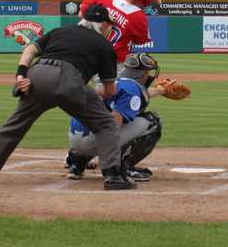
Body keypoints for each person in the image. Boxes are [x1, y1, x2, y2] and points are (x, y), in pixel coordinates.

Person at [0, 3, 137, 190]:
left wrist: (21, 74)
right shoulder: (105, 45)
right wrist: (95, 92)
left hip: (38, 75)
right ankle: (113, 176)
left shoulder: (60, 31)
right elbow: (110, 91)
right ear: (104, 25)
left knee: (16, 123)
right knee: (106, 123)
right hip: (71, 80)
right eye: (110, 26)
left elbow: (30, 50)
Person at [65, 53, 164, 183]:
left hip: (75, 140)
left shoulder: (112, 83)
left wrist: (162, 90)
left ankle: (77, 163)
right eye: (147, 72)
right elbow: (113, 125)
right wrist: (110, 161)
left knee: (105, 120)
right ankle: (125, 168)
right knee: (152, 121)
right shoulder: (132, 89)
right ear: (142, 74)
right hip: (94, 141)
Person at [79, 0, 160, 64]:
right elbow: (141, 41)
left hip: (88, 56)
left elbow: (80, 14)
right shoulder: (139, 17)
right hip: (114, 63)